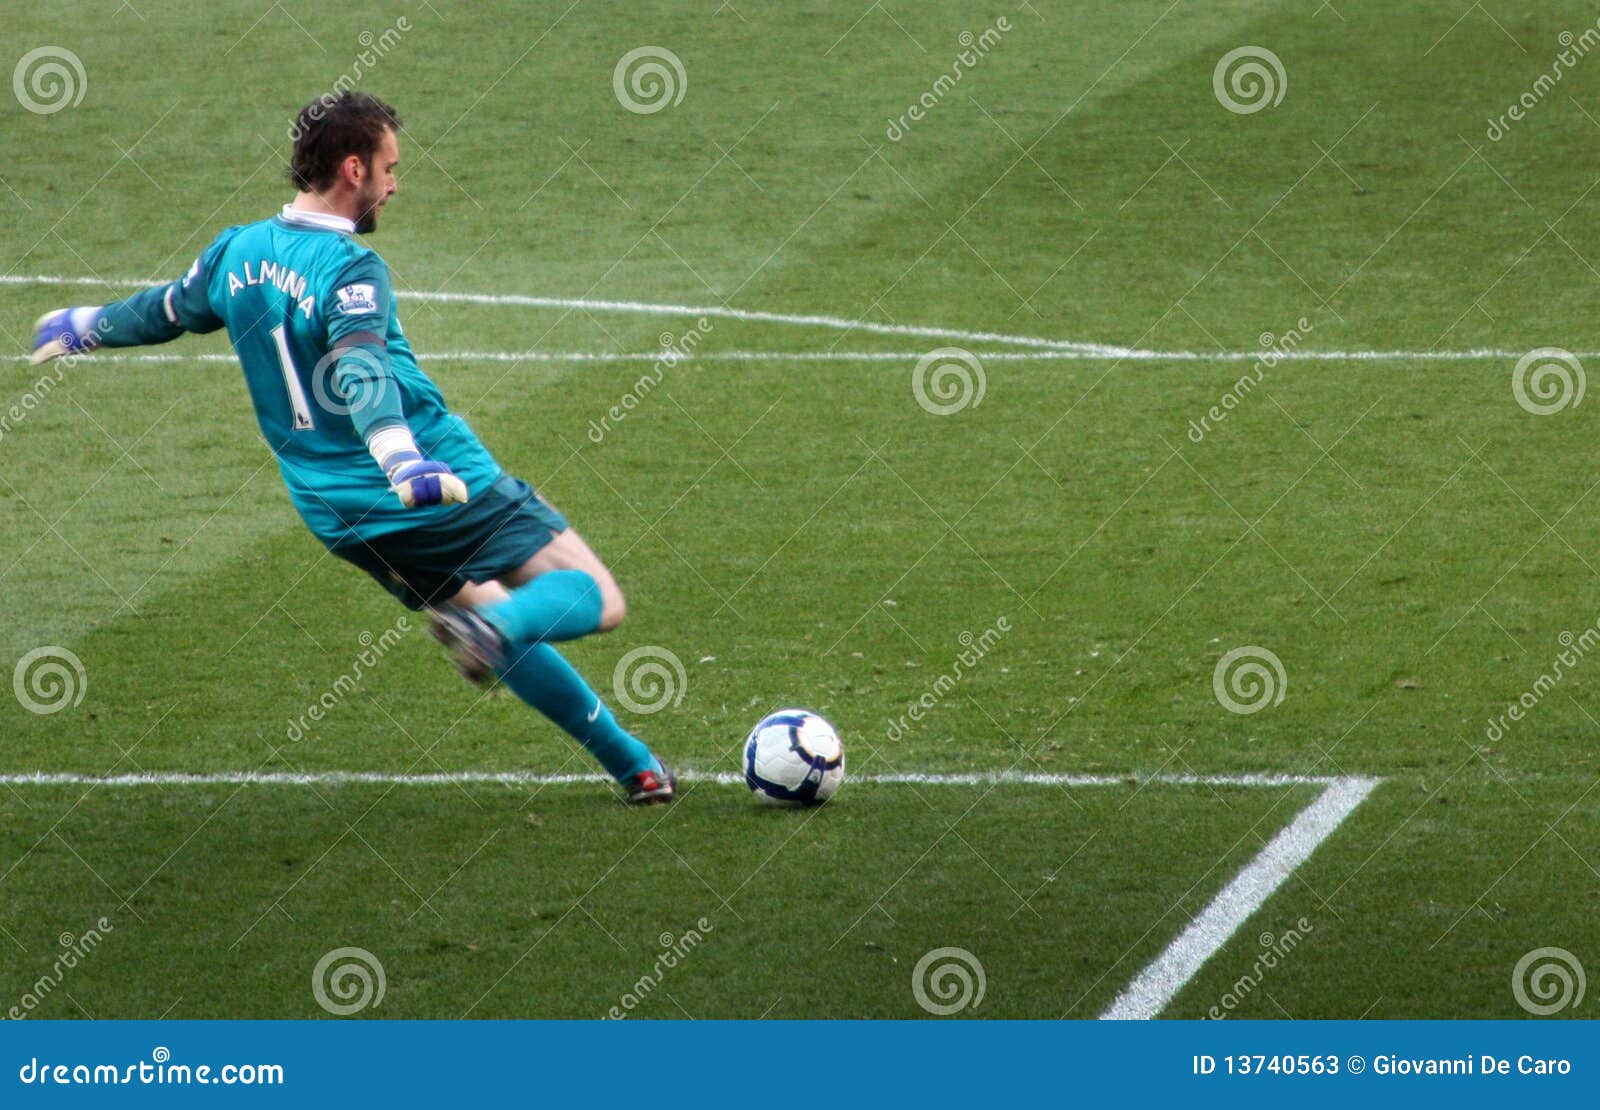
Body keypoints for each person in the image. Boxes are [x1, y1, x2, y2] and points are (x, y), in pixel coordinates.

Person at [28, 91, 675, 804]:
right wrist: (403, 459)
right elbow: (361, 370)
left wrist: (84, 325)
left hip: (338, 513)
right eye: (391, 169)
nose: (396, 185)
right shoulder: (351, 270)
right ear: (354, 167)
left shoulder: (236, 250)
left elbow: (165, 311)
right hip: (429, 479)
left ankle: (633, 766)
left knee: (481, 605)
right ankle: (492, 633)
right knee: (593, 596)